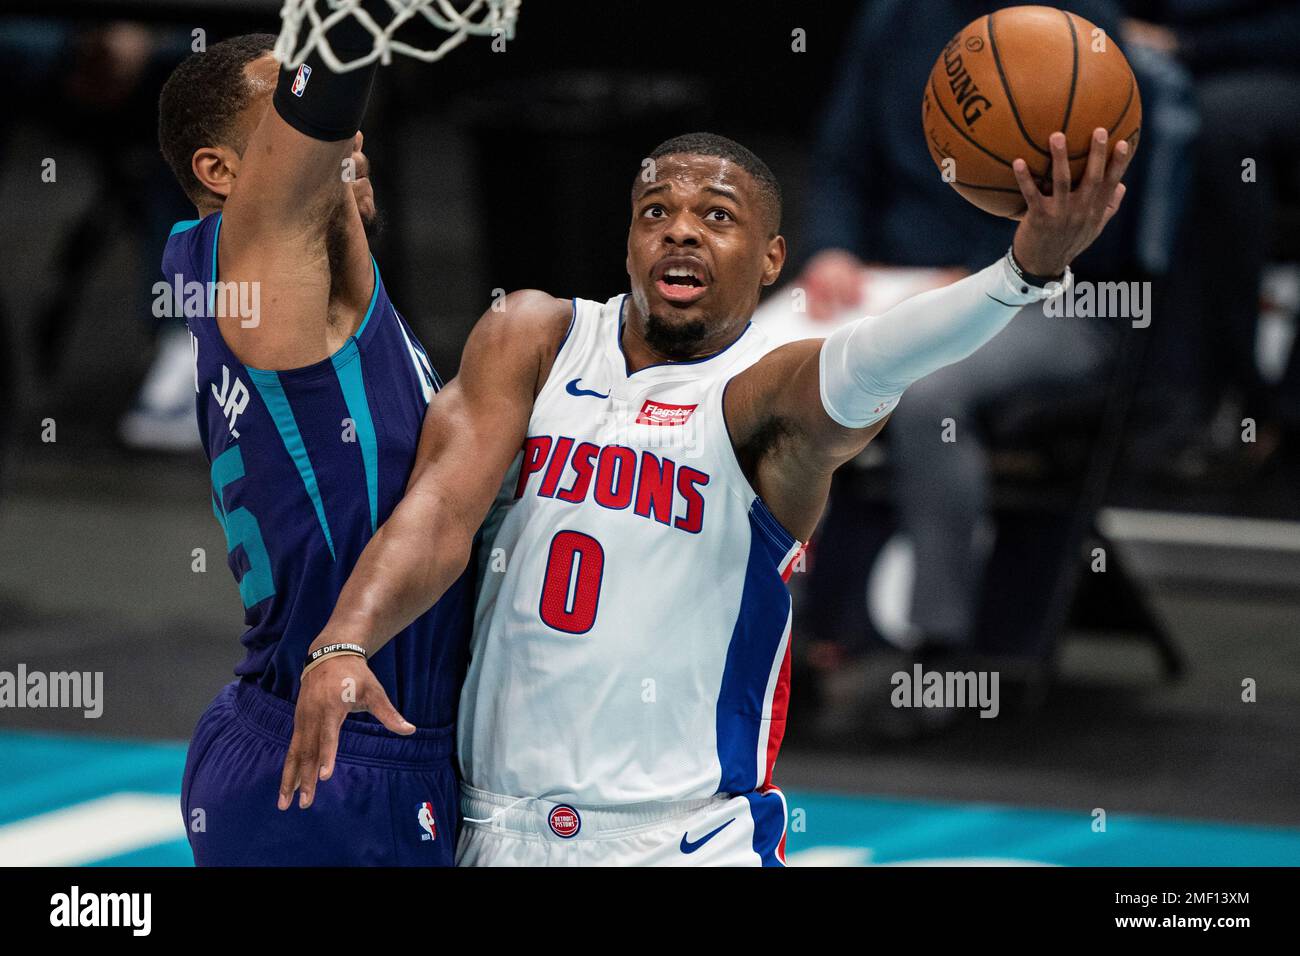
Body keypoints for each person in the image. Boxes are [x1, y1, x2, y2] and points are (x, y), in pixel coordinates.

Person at [279, 128, 1132, 865]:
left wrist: (1021, 272)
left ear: (770, 258)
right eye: (656, 213)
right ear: (628, 240)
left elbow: (878, 356)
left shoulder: (761, 399)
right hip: (490, 823)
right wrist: (342, 643)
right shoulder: (534, 338)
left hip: (679, 840)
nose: (680, 231)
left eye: (716, 216)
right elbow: (437, 515)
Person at [159, 21, 471, 865]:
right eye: (290, 133)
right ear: (221, 174)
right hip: (331, 758)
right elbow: (327, 90)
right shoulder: (258, 279)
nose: (342, 137)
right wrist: (351, 17)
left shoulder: (283, 289)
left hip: (323, 730)